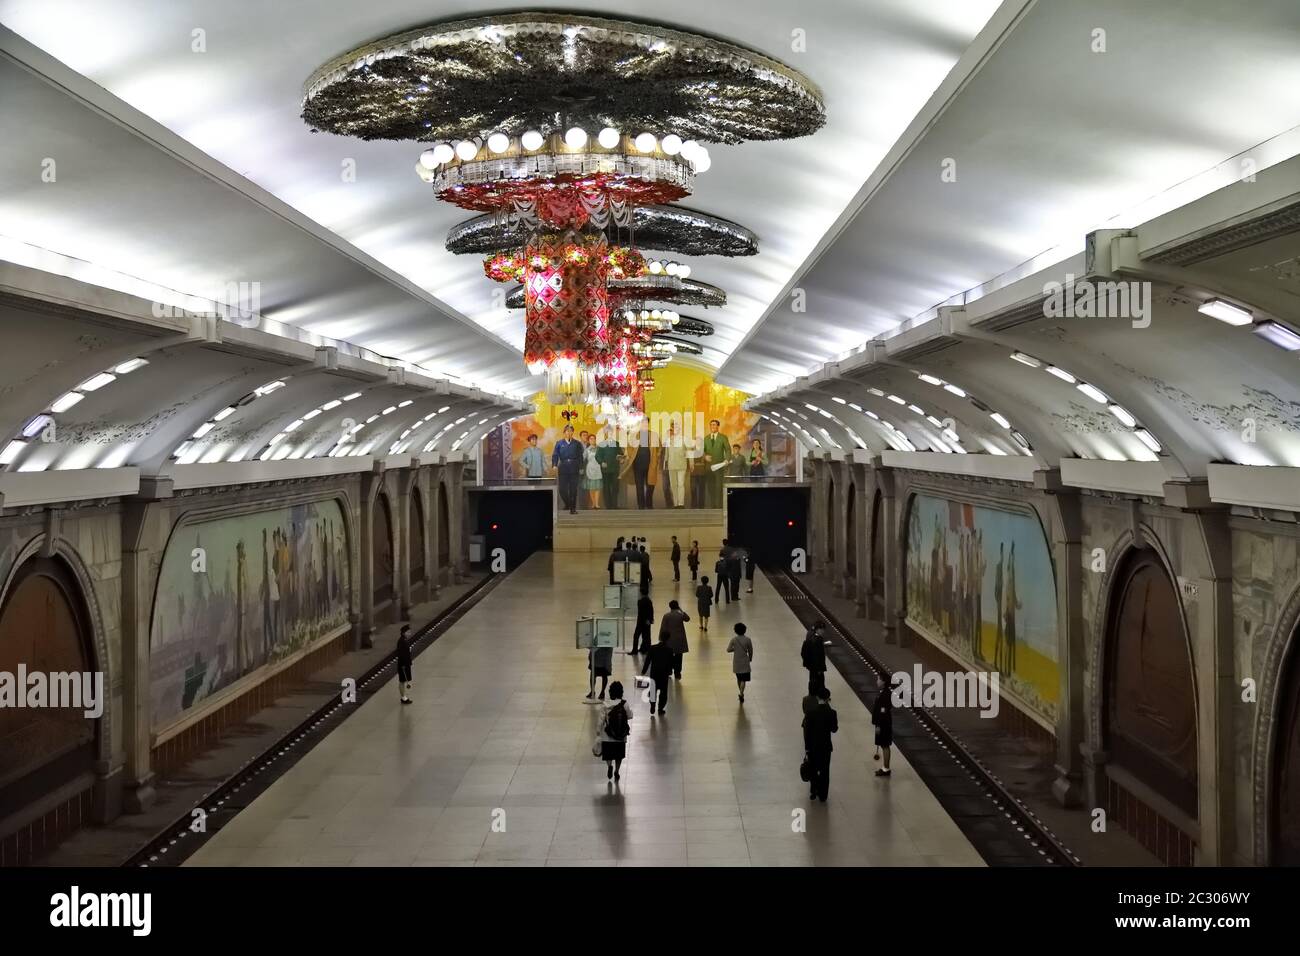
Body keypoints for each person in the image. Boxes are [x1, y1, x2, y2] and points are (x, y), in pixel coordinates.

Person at [802, 686, 838, 801]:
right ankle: (823, 794)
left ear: (817, 697)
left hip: (813, 746)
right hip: (826, 746)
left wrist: (807, 748)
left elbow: (807, 732)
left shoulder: (810, 713)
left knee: (813, 768)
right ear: (828, 698)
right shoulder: (832, 713)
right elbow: (834, 729)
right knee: (825, 770)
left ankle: (813, 790)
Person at [599, 681, 632, 781]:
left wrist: (598, 732)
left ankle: (609, 765)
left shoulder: (605, 704)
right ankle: (617, 771)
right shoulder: (624, 704)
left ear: (610, 692)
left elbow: (600, 720)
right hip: (621, 736)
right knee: (619, 755)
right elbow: (629, 716)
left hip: (607, 735)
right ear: (621, 692)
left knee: (608, 754)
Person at [552, 425, 583, 514]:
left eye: (571, 431)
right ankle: (568, 503)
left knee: (573, 489)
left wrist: (581, 467)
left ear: (573, 432)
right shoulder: (559, 443)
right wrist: (554, 464)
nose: (569, 433)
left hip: (574, 467)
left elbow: (580, 456)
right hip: (563, 468)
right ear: (564, 432)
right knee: (562, 489)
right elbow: (555, 455)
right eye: (567, 431)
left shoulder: (577, 443)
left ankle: (572, 509)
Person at [659, 599, 691, 681]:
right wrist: (681, 610)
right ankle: (677, 673)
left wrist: (661, 639)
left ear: (670, 607)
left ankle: (669, 671)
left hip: (669, 640)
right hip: (679, 639)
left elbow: (663, 628)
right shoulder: (680, 615)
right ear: (677, 606)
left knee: (669, 656)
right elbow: (687, 619)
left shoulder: (666, 616)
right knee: (679, 657)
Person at [701, 419, 730, 508]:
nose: (712, 426)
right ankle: (713, 505)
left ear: (718, 426)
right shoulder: (706, 438)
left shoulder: (723, 437)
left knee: (718, 486)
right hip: (708, 467)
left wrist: (726, 460)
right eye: (711, 425)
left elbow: (728, 449)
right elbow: (702, 451)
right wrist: (705, 457)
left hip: (719, 466)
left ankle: (719, 506)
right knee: (710, 487)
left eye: (714, 425)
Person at [872, 677, 896, 777]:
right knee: (883, 745)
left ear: (883, 681)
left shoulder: (885, 695)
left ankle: (886, 768)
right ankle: (885, 767)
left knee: (885, 745)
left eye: (878, 679)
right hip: (883, 723)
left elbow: (883, 712)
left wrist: (878, 725)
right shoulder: (883, 692)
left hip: (883, 724)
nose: (877, 681)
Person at [726, 622, 754, 704]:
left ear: (735, 631)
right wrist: (750, 658)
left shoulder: (734, 640)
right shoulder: (748, 640)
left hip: (736, 662)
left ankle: (741, 692)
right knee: (744, 680)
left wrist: (735, 649)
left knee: (739, 678)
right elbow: (751, 651)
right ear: (744, 630)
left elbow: (728, 650)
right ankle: (741, 693)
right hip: (745, 661)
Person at [596, 434, 624, 510]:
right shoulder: (602, 444)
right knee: (606, 488)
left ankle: (614, 505)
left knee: (615, 487)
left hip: (615, 469)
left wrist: (621, 459)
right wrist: (601, 462)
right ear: (605, 434)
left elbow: (621, 454)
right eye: (608, 433)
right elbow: (597, 456)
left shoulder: (616, 443)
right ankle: (608, 506)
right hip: (605, 470)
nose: (609, 435)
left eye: (611, 433)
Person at [665, 421, 688, 508]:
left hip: (682, 464)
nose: (675, 429)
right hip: (671, 464)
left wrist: (692, 463)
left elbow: (689, 451)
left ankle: (681, 504)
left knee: (681, 484)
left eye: (677, 427)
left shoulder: (684, 439)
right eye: (674, 427)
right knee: (673, 484)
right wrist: (665, 464)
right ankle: (675, 503)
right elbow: (667, 454)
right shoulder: (668, 440)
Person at [801, 621, 827, 695]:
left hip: (812, 666)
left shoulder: (811, 637)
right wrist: (819, 668)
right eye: (821, 630)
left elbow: (804, 653)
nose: (823, 631)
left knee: (813, 681)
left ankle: (813, 695)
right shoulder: (817, 640)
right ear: (817, 629)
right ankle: (820, 696)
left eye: (823, 630)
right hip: (817, 667)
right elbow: (817, 656)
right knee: (819, 682)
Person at [583, 433, 603, 509]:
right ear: (588, 440)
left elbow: (602, 457)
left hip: (598, 468)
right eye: (591, 439)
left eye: (594, 439)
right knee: (591, 487)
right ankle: (593, 503)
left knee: (598, 487)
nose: (593, 440)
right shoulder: (587, 450)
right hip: (590, 468)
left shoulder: (599, 448)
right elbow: (583, 458)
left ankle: (597, 503)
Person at [396, 624, 413, 704]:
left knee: (404, 680)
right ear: (403, 633)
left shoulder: (405, 640)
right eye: (408, 632)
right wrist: (403, 665)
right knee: (402, 681)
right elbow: (401, 654)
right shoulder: (401, 642)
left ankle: (404, 696)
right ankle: (403, 698)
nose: (410, 633)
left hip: (406, 664)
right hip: (403, 665)